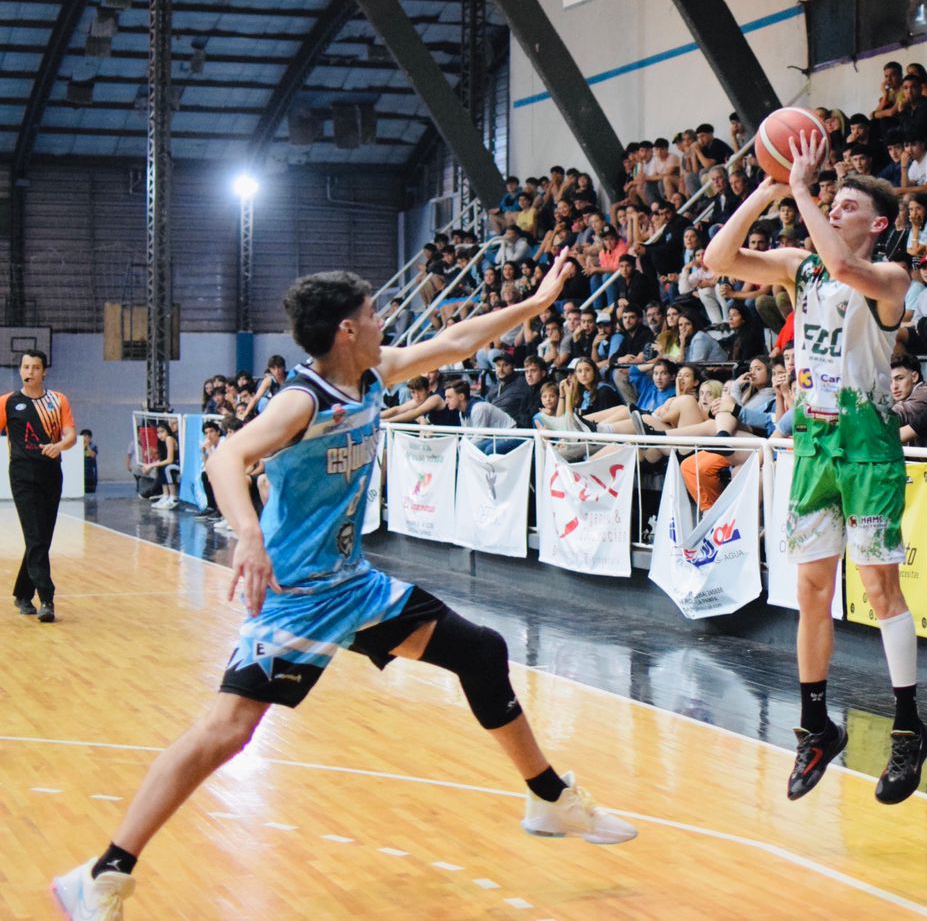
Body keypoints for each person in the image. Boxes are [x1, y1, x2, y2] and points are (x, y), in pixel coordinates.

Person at [50, 254, 637, 920]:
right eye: (372, 315)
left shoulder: (374, 373)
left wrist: (536, 302)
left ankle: (549, 798)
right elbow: (225, 456)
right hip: (298, 597)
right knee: (224, 733)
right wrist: (246, 531)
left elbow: (457, 340)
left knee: (481, 650)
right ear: (346, 332)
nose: (383, 321)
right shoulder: (303, 400)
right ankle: (101, 877)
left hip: (354, 587)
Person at [703, 131, 927, 806]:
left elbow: (842, 269)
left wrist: (802, 190)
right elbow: (720, 258)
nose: (835, 210)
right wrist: (769, 188)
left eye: (849, 205)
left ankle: (907, 727)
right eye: (832, 203)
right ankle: (813, 726)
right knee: (809, 590)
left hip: (867, 447)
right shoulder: (799, 265)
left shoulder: (890, 279)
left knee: (880, 588)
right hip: (813, 444)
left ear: (879, 223)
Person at [4, 350, 76, 624]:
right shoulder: (8, 402)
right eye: (25, 367)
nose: (29, 372)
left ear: (44, 371)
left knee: (41, 537)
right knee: (35, 535)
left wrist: (59, 446)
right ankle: (46, 598)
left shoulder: (58, 401)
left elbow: (70, 433)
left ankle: (22, 593)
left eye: (35, 367)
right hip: (22, 475)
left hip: (50, 474)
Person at [80, 428, 97, 494]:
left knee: (90, 490)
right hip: (81, 472)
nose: (86, 439)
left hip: (90, 473)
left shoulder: (93, 446)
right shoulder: (78, 447)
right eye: (84, 437)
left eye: (88, 437)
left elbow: (93, 455)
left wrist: (87, 445)